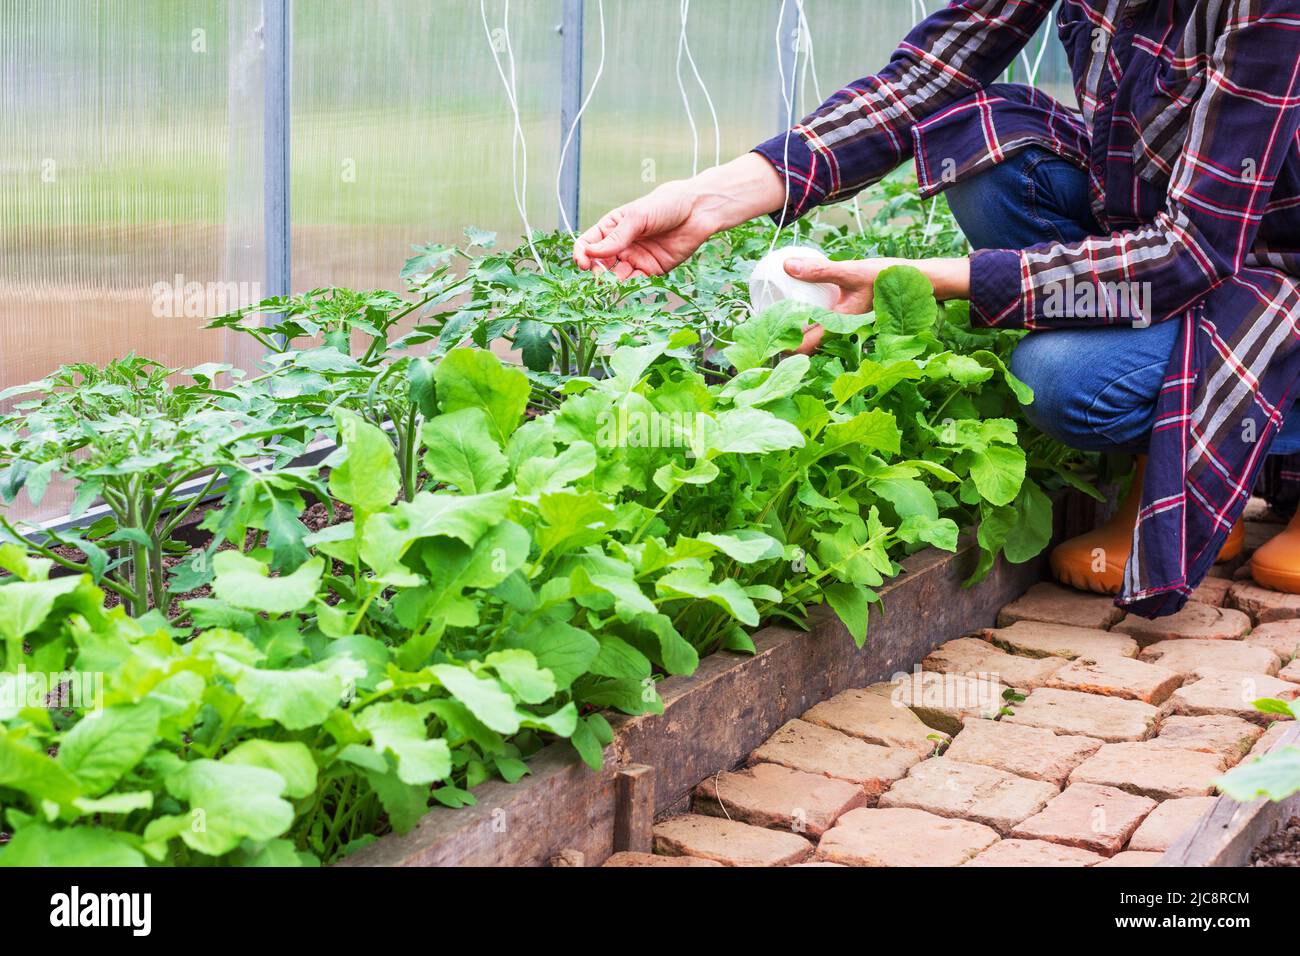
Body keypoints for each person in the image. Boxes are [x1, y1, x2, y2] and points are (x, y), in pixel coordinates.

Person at [573, 0, 1300, 618]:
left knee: (1061, 380)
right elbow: (925, 79)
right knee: (997, 167)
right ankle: (1176, 456)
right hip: (1173, 238)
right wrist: (706, 200)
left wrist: (930, 278)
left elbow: (1190, 252)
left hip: (1270, 268)